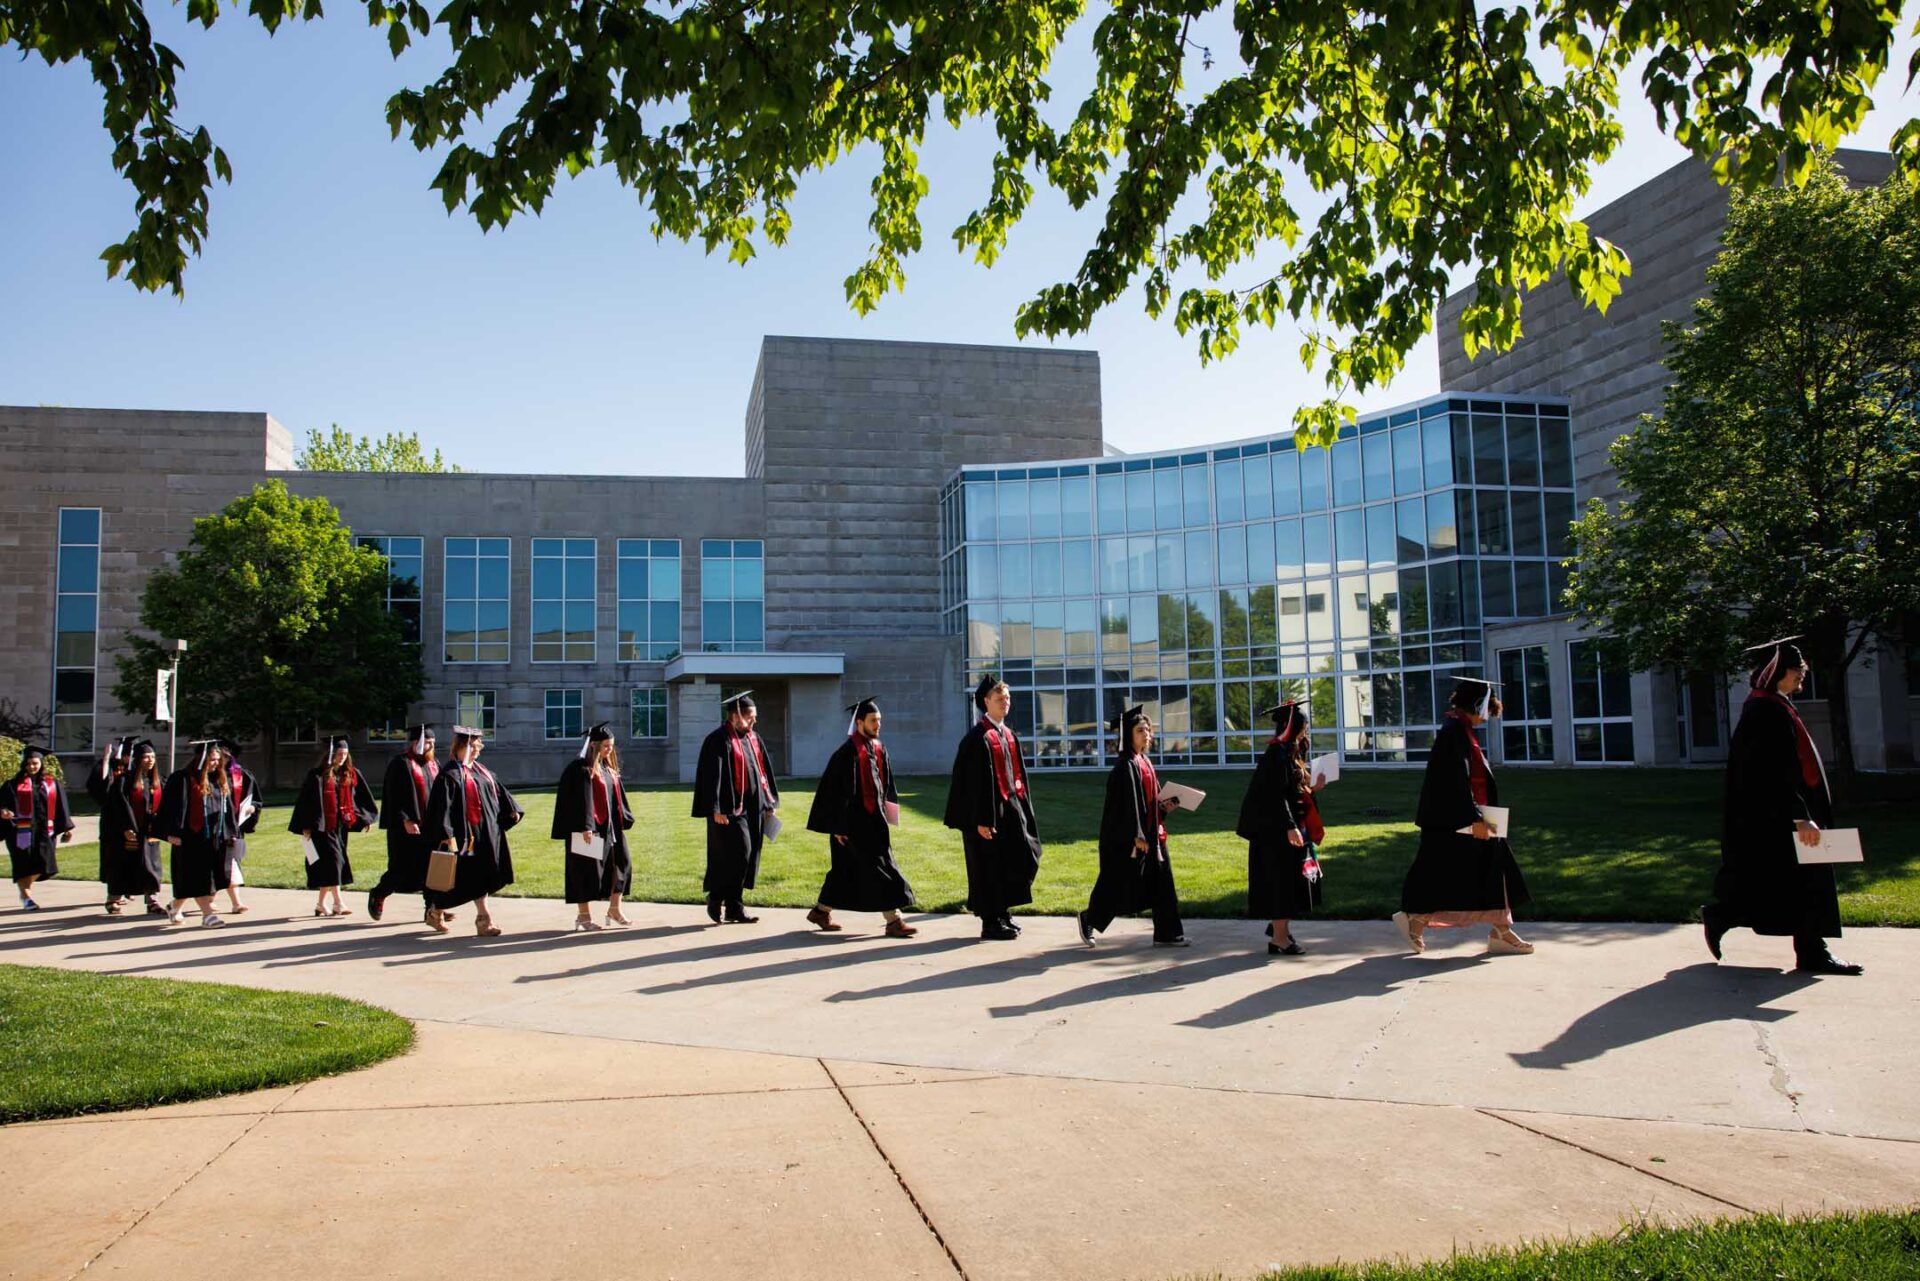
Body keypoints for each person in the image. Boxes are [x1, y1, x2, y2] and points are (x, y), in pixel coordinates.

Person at [1703, 637, 1863, 976]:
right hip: (1785, 816)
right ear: (1778, 671)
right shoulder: (1765, 709)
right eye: (1798, 669)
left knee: (1790, 883)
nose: (1803, 675)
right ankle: (1806, 951)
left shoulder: (1774, 704)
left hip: (1792, 812)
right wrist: (1800, 817)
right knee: (1799, 882)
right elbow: (1773, 771)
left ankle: (1806, 950)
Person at [1393, 678, 1534, 956]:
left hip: (1478, 812)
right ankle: (1416, 920)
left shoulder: (1461, 728)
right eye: (1487, 709)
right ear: (1478, 706)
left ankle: (1500, 931)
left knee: (1494, 869)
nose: (1487, 717)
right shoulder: (1453, 732)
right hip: (1459, 817)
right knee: (1449, 873)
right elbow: (1453, 781)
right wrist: (1474, 818)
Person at [803, 698, 917, 938]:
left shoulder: (878, 748)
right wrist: (838, 827)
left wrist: (890, 812)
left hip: (874, 822)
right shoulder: (846, 754)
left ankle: (821, 912)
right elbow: (833, 794)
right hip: (852, 826)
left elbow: (887, 785)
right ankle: (894, 920)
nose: (878, 725)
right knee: (882, 870)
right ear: (859, 722)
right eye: (873, 720)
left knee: (845, 873)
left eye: (879, 721)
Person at [1077, 705, 1188, 948]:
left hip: (1151, 835)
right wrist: (1136, 835)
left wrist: (1165, 806)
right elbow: (1125, 807)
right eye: (1140, 730)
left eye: (1148, 729)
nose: (1146, 733)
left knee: (1162, 884)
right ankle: (1089, 918)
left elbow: (1151, 801)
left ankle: (1167, 933)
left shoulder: (1144, 762)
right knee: (1117, 885)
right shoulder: (1124, 766)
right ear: (1128, 735)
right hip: (1128, 839)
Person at [943, 675, 1042, 941]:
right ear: (986, 702)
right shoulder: (977, 738)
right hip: (986, 816)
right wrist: (981, 819)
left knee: (1015, 860)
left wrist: (1023, 810)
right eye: (999, 699)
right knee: (987, 868)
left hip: (1009, 811)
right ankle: (990, 921)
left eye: (1007, 698)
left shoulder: (1007, 734)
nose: (1005, 702)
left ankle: (1002, 912)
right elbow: (971, 786)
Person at [1236, 701, 1326, 956]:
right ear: (1294, 726)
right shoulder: (1275, 754)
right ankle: (1279, 939)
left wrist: (1314, 788)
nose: (1306, 730)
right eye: (1304, 725)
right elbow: (1274, 796)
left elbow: (1293, 791)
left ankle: (1280, 931)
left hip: (1290, 829)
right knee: (1280, 883)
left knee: (1291, 883)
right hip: (1275, 833)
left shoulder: (1289, 752)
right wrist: (1289, 827)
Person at [691, 691, 779, 925]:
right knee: (739, 853)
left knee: (748, 858)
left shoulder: (753, 738)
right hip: (730, 810)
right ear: (735, 715)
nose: (754, 720)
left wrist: (769, 802)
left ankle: (734, 908)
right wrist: (715, 808)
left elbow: (763, 772)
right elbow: (711, 777)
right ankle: (717, 896)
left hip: (754, 807)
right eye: (750, 716)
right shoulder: (718, 740)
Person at [424, 724, 522, 936]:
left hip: (486, 835)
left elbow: (499, 793)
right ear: (463, 746)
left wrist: (512, 810)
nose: (479, 749)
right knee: (462, 880)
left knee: (483, 878)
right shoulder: (450, 775)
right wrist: (447, 835)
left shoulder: (482, 771)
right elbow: (441, 809)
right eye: (475, 745)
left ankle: (476, 919)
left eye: (479, 745)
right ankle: (440, 911)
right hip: (464, 838)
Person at [552, 722, 636, 932]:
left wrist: (623, 819)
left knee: (622, 865)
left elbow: (617, 797)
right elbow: (578, 801)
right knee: (584, 870)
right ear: (594, 745)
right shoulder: (579, 769)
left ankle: (614, 910)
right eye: (606, 746)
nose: (610, 750)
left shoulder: (608, 769)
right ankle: (583, 916)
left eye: (611, 746)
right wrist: (585, 826)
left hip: (610, 829)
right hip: (587, 829)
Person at [288, 736, 376, 918]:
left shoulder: (350, 774)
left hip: (340, 827)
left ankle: (322, 904)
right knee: (336, 861)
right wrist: (305, 825)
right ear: (330, 754)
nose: (342, 757)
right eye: (339, 754)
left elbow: (359, 799)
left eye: (345, 754)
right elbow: (306, 802)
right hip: (321, 827)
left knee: (331, 865)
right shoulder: (317, 776)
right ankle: (338, 902)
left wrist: (364, 819)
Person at [371, 724, 445, 924]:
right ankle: (379, 894)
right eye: (427, 742)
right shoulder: (401, 763)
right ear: (416, 743)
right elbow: (393, 796)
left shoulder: (433, 764)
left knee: (430, 869)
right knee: (400, 869)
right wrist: (406, 819)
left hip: (429, 827)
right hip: (405, 828)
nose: (431, 746)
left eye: (433, 743)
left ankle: (432, 909)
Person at [156, 740, 234, 927]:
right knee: (199, 877)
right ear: (200, 759)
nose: (215, 763)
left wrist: (230, 832)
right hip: (189, 838)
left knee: (195, 880)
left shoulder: (219, 780)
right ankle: (207, 916)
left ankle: (174, 907)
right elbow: (169, 809)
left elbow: (227, 810)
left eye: (217, 759)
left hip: (213, 838)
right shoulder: (182, 779)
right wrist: (169, 834)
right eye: (211, 759)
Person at [3, 744, 74, 911]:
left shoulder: (51, 784)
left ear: (41, 763)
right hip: (19, 832)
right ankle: (26, 896)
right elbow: (2, 804)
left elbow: (61, 807)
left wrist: (67, 828)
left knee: (44, 864)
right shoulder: (12, 785)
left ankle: (25, 890)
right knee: (22, 864)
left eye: (35, 763)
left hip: (44, 832)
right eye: (28, 764)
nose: (31, 767)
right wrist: (3, 812)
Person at [101, 740, 166, 915]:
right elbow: (116, 807)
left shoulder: (157, 781)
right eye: (146, 757)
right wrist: (125, 827)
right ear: (137, 759)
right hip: (128, 832)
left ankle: (152, 900)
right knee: (123, 866)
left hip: (149, 833)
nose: (150, 760)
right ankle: (113, 898)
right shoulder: (124, 781)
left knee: (151, 866)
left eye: (152, 757)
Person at [85, 738, 133, 912]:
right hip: (113, 824)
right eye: (127, 754)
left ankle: (131, 891)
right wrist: (105, 760)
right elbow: (99, 788)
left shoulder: (137, 771)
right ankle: (113, 895)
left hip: (134, 822)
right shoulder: (111, 770)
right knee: (115, 859)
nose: (129, 758)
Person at [218, 740, 262, 915]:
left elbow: (255, 799)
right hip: (213, 828)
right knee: (220, 864)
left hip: (234, 827)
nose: (221, 761)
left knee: (231, 863)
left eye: (224, 757)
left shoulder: (241, 775)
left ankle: (235, 902)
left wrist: (253, 808)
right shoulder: (208, 777)